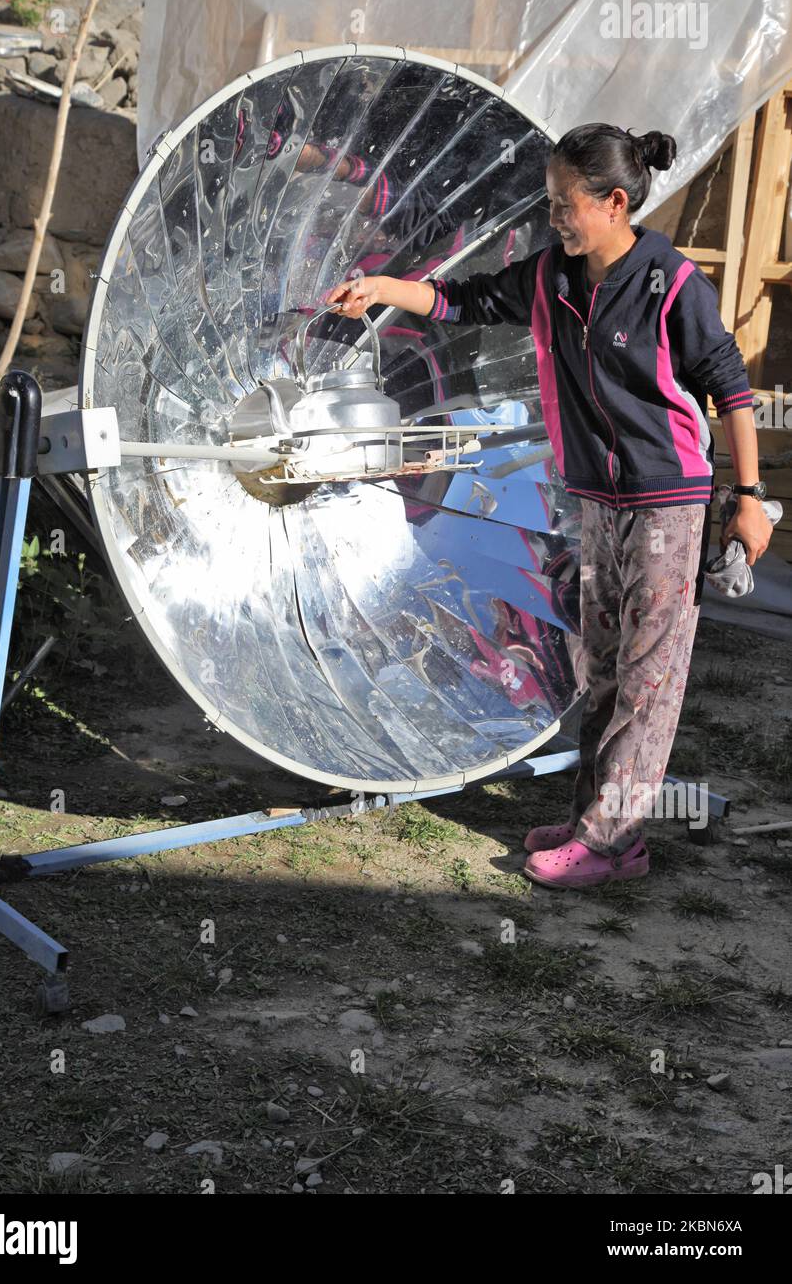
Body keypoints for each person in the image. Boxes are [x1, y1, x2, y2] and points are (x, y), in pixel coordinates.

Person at [323, 122, 775, 889]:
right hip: (595, 500)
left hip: (669, 502)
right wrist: (380, 291)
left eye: (566, 203)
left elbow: (731, 386)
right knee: (598, 664)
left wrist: (752, 498)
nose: (553, 216)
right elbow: (458, 301)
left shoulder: (670, 283)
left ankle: (614, 841)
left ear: (615, 203)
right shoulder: (551, 279)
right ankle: (590, 819)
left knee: (648, 677)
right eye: (550, 201)